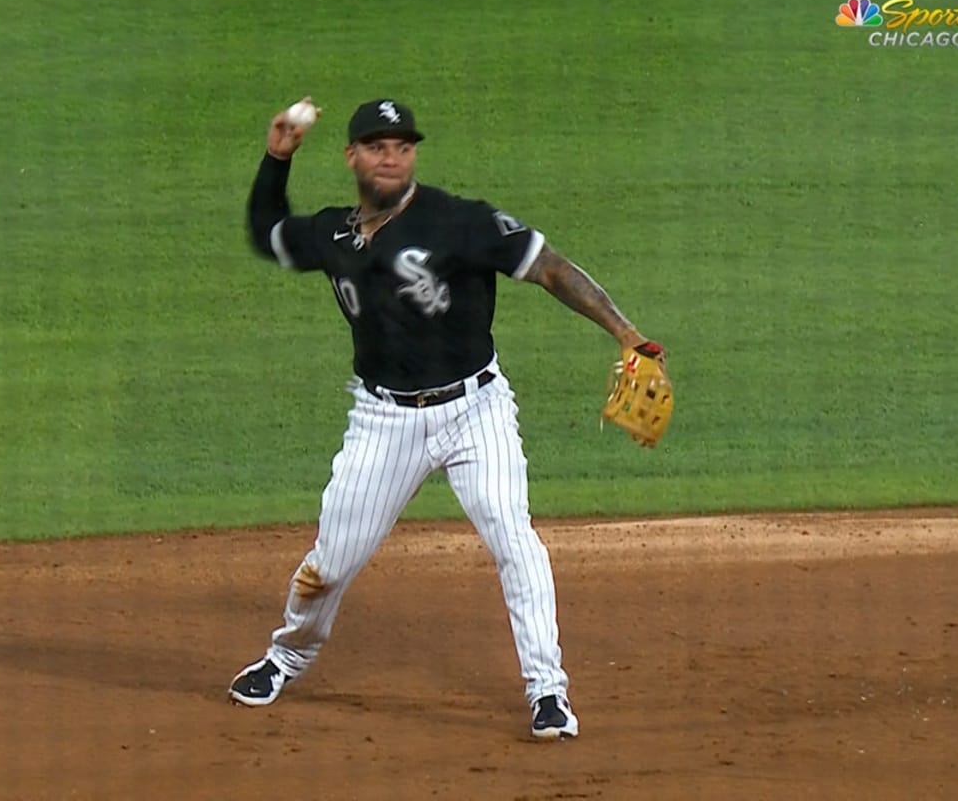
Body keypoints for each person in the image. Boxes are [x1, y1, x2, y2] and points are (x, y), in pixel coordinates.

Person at [228, 97, 665, 740]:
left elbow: (550, 268)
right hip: (382, 421)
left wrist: (628, 334)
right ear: (352, 156)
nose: (391, 156)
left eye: (402, 146)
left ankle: (548, 692)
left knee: (514, 539)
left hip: (475, 409)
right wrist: (277, 156)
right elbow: (268, 233)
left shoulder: (460, 221)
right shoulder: (332, 234)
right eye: (377, 146)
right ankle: (285, 657)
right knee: (332, 560)